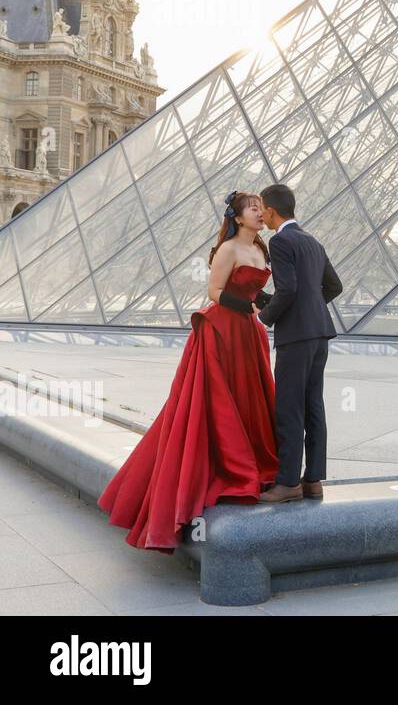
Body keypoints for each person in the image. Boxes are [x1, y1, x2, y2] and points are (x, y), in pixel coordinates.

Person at [97, 191, 278, 551]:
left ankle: (251, 461)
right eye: (253, 208)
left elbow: (257, 292)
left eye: (261, 207)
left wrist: (269, 304)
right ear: (238, 217)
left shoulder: (261, 248)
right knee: (214, 405)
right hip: (222, 331)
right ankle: (228, 467)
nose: (260, 212)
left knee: (249, 399)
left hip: (248, 331)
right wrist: (249, 306)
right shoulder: (228, 250)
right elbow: (214, 291)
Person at [256, 183, 343, 503]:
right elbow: (335, 285)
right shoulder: (312, 240)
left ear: (272, 210)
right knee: (313, 406)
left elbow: (288, 290)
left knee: (289, 408)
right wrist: (312, 306)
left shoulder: (280, 241)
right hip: (320, 333)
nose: (261, 214)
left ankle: (288, 482)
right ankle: (313, 481)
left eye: (262, 208)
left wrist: (262, 318)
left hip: (296, 337)